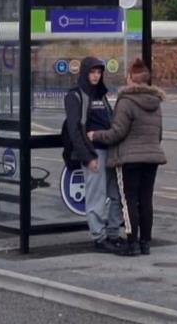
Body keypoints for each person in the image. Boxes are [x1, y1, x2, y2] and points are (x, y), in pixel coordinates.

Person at [88, 58, 166, 257]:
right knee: (145, 200)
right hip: (152, 157)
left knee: (129, 201)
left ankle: (132, 243)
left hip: (129, 160)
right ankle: (145, 243)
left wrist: (95, 135)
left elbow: (117, 133)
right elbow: (159, 134)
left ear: (131, 79)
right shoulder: (156, 103)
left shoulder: (126, 102)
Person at [62, 56, 124, 252]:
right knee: (96, 197)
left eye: (98, 73)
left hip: (110, 150)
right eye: (92, 72)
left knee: (116, 195)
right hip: (94, 152)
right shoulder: (75, 95)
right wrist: (88, 157)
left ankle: (113, 233)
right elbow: (75, 129)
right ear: (85, 73)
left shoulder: (101, 95)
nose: (96, 76)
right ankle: (99, 237)